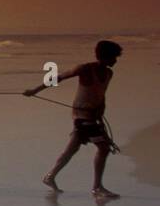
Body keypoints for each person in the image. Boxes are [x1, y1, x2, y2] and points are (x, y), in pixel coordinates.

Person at [25, 40, 123, 197]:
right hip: (82, 116)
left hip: (93, 116)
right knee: (103, 148)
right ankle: (97, 187)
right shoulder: (84, 69)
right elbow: (59, 77)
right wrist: (35, 90)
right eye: (114, 57)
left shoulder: (109, 73)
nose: (116, 61)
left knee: (72, 149)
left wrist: (101, 112)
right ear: (105, 56)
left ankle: (50, 177)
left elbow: (101, 95)